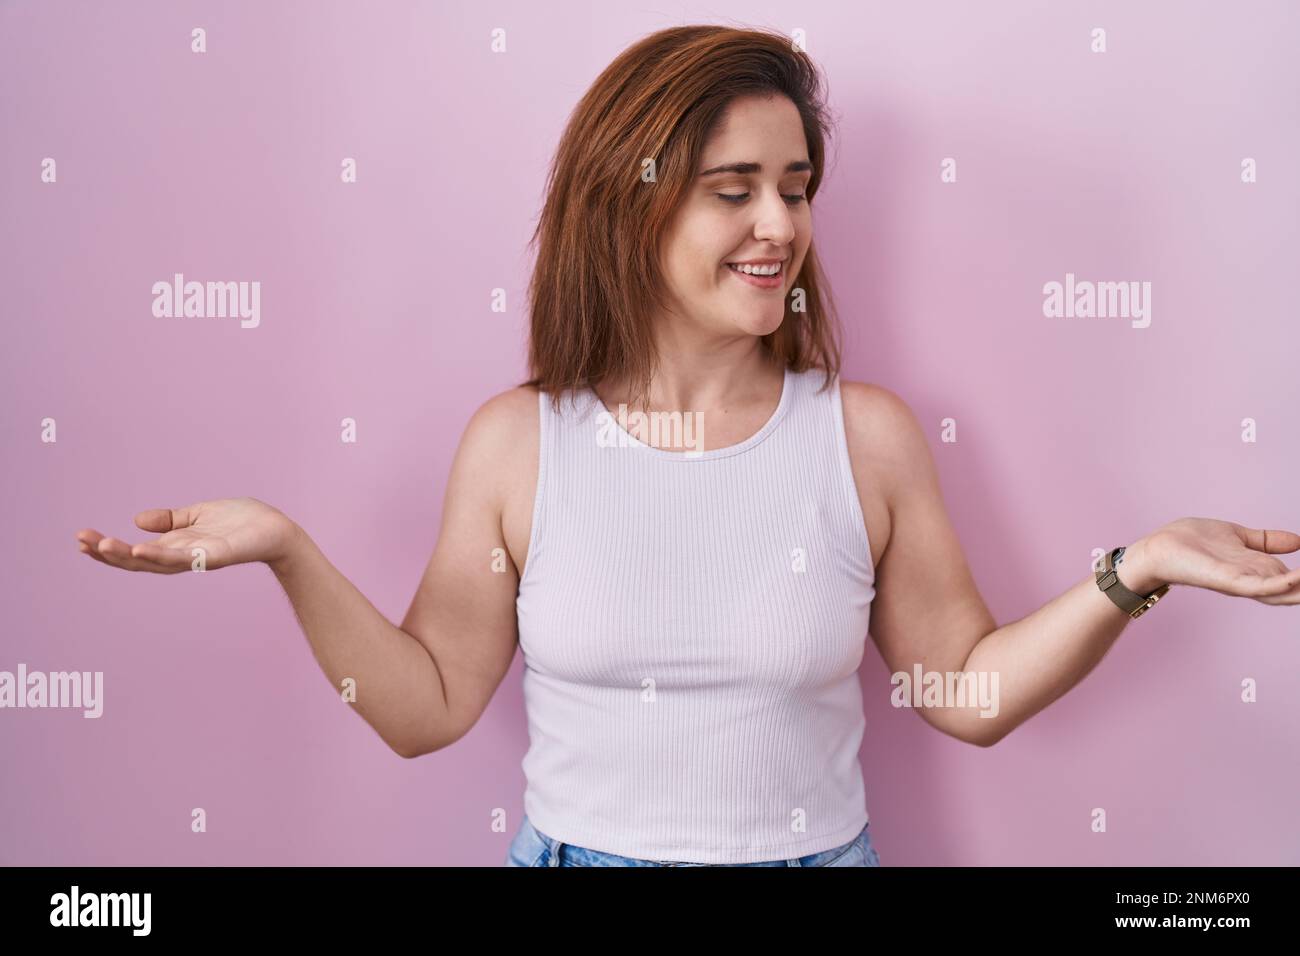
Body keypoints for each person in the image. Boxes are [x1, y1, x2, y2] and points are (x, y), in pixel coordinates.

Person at [75, 25, 1300, 868]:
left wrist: (1130, 569)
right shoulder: (519, 445)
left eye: (797, 185)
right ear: (635, 200)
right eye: (734, 188)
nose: (780, 225)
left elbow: (963, 693)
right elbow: (428, 705)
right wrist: (286, 548)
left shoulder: (862, 439)